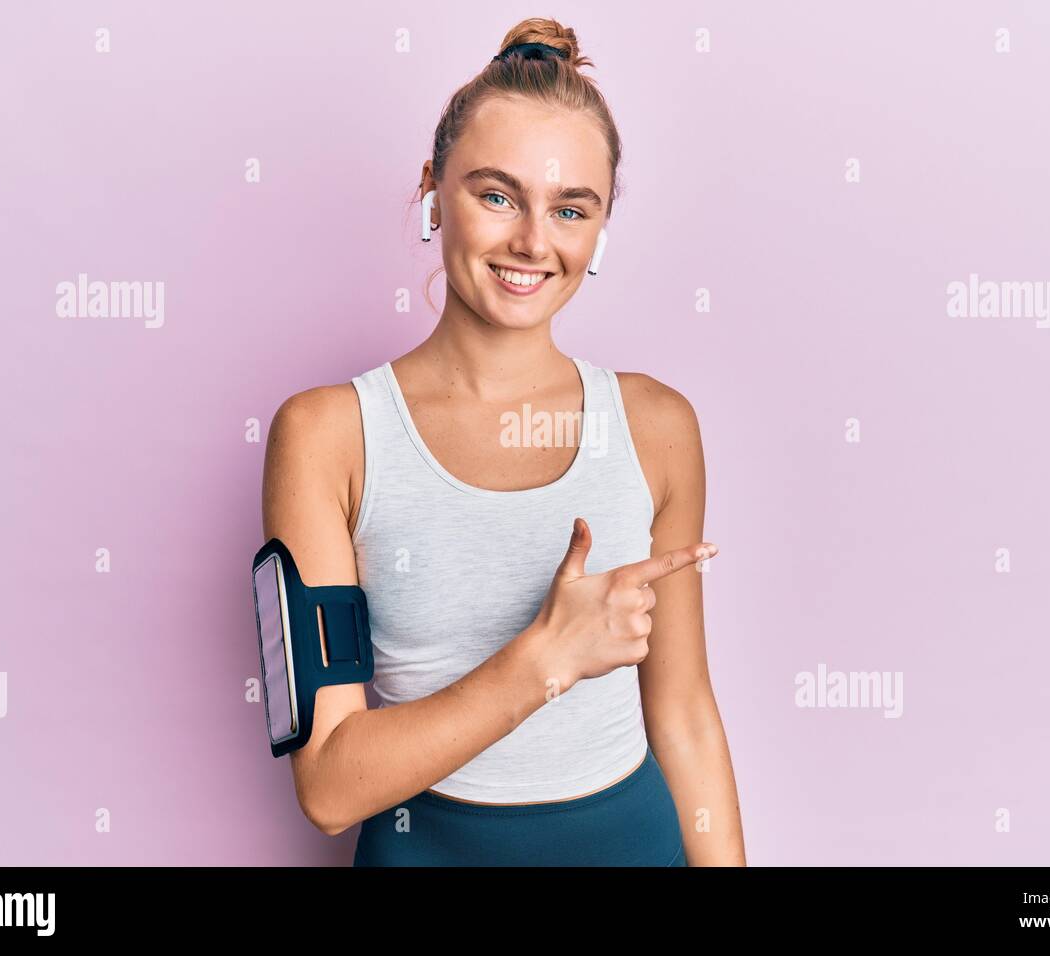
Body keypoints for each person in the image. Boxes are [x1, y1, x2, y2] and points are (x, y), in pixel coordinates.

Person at [260, 17, 745, 866]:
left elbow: (686, 716)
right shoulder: (327, 435)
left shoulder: (658, 427)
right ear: (432, 190)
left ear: (598, 231)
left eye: (569, 208)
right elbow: (330, 790)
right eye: (496, 195)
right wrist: (545, 657)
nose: (531, 241)